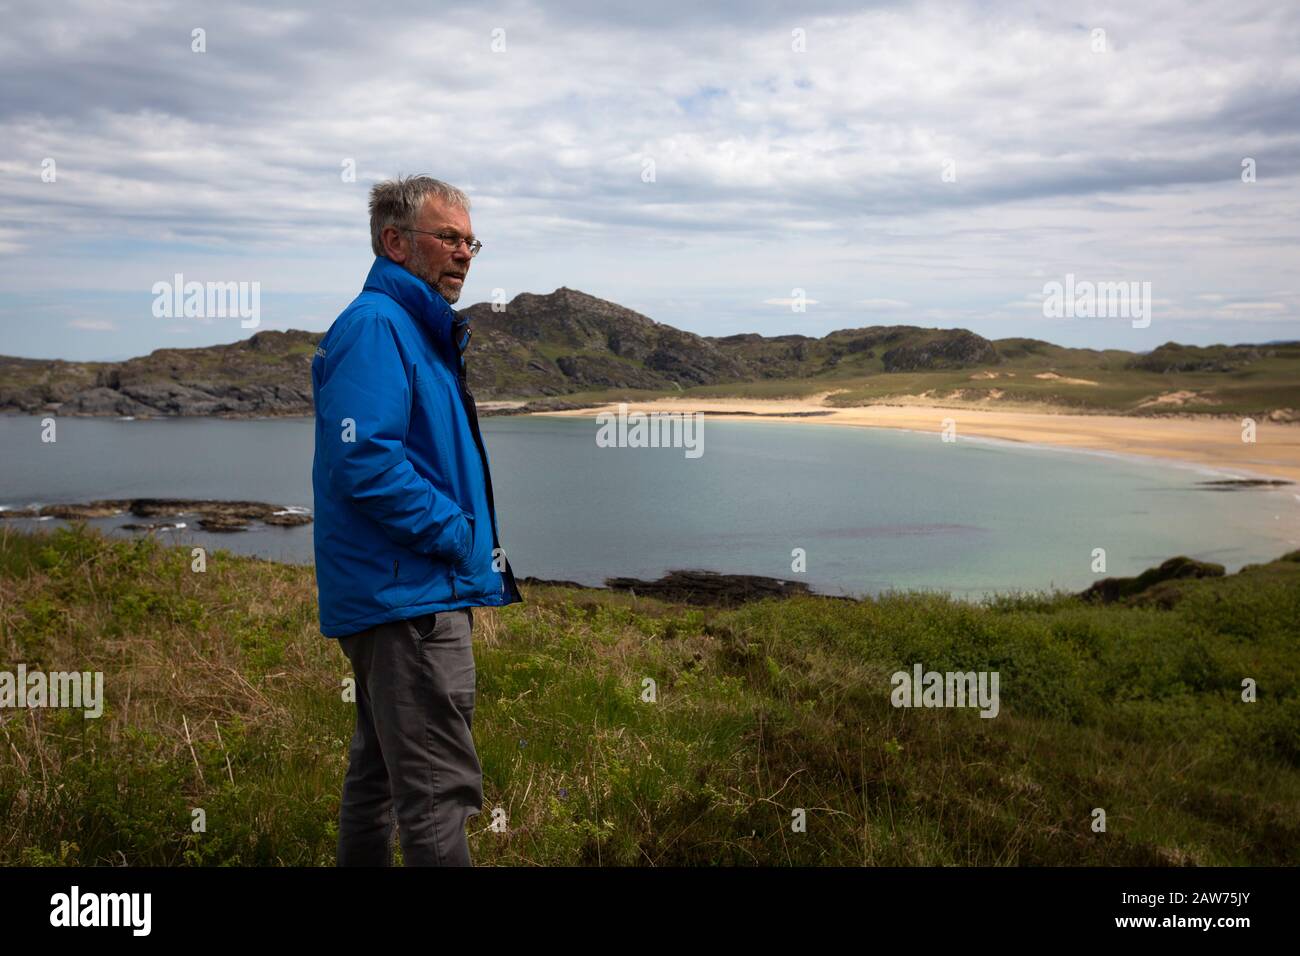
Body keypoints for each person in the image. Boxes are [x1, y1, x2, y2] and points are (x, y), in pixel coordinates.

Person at [311, 174, 523, 866]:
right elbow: (364, 458)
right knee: (439, 796)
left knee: (378, 777)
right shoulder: (378, 327)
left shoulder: (412, 327)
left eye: (471, 241)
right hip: (411, 603)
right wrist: (455, 533)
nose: (465, 254)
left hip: (400, 596)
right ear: (394, 242)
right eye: (449, 238)